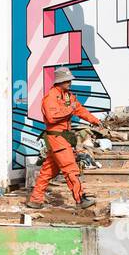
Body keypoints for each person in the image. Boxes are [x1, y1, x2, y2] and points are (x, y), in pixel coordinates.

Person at [26, 66, 99, 211]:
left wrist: (96, 120)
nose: (69, 83)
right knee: (70, 168)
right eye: (67, 80)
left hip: (63, 137)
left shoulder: (68, 96)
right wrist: (70, 109)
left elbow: (80, 110)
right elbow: (52, 117)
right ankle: (80, 199)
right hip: (56, 137)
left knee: (48, 170)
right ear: (60, 81)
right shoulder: (50, 97)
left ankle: (35, 200)